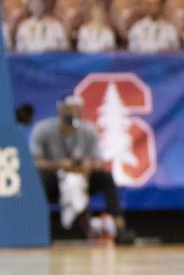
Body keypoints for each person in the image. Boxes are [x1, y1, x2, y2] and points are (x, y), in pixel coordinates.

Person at [29, 94, 125, 238]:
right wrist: (59, 164)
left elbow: (100, 162)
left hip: (82, 177)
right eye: (70, 109)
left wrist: (88, 164)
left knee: (106, 177)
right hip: (54, 179)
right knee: (39, 179)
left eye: (77, 110)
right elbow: (34, 162)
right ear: (60, 109)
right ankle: (35, 229)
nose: (74, 114)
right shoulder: (43, 129)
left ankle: (119, 227)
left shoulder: (88, 130)